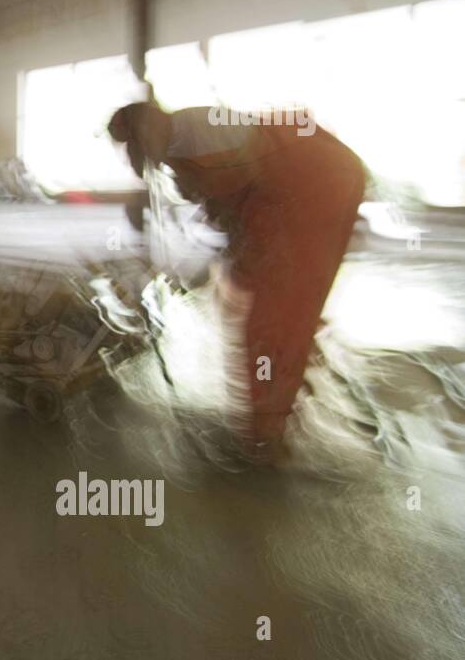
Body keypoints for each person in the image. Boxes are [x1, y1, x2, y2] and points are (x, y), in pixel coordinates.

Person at [107, 100, 366, 463]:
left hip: (320, 185)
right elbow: (228, 213)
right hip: (297, 193)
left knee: (271, 313)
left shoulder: (205, 134)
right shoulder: (178, 146)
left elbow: (246, 204)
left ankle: (264, 437)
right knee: (256, 294)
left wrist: (232, 252)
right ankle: (290, 369)